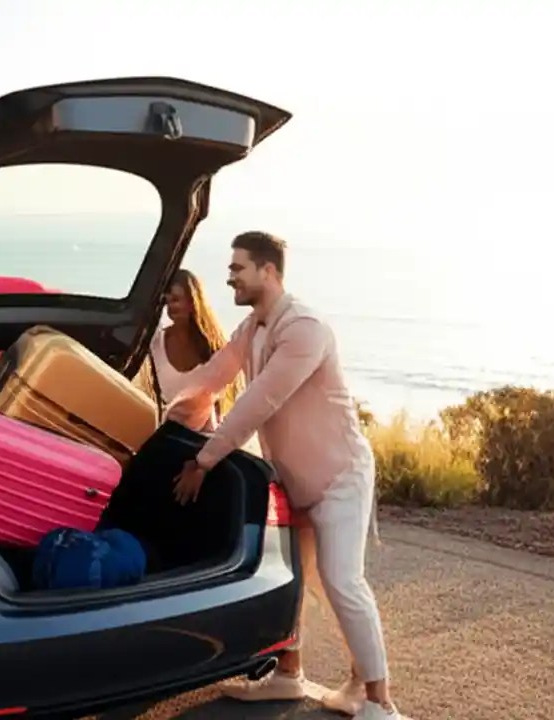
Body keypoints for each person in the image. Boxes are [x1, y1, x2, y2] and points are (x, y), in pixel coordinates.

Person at [167, 231, 402, 720]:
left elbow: (260, 400)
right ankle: (288, 675)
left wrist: (204, 460)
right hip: (294, 479)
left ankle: (380, 701)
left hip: (339, 478)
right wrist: (160, 422)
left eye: (239, 268)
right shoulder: (252, 327)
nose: (230, 276)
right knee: (295, 581)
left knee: (341, 581)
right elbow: (210, 379)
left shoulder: (305, 329)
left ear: (268, 272)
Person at [148, 268, 243, 432]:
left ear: (192, 302)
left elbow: (219, 399)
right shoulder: (156, 342)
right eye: (166, 301)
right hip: (165, 430)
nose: (170, 306)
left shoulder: (213, 347)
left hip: (202, 434)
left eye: (176, 299)